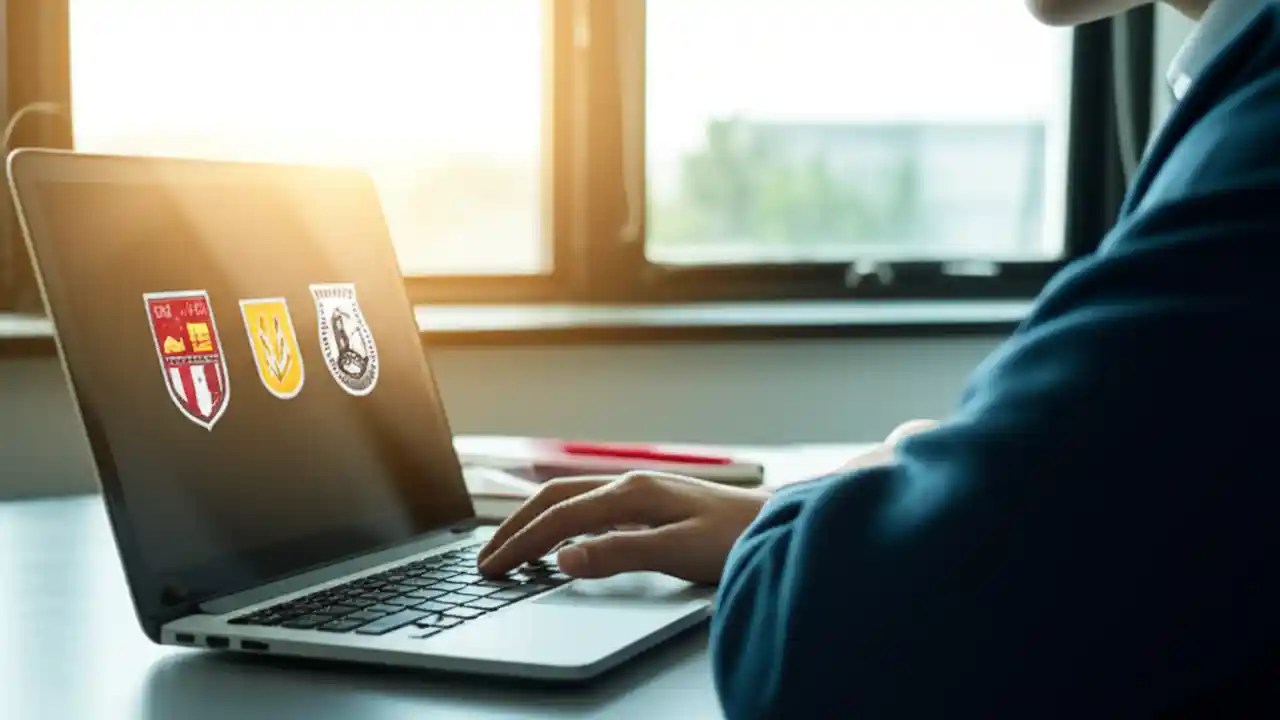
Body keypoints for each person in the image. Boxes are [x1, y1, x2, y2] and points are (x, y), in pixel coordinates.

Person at [479, 0, 1280, 715]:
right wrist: (837, 510)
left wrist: (872, 482)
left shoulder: (1259, 136)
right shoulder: (1235, 93)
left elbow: (834, 649)